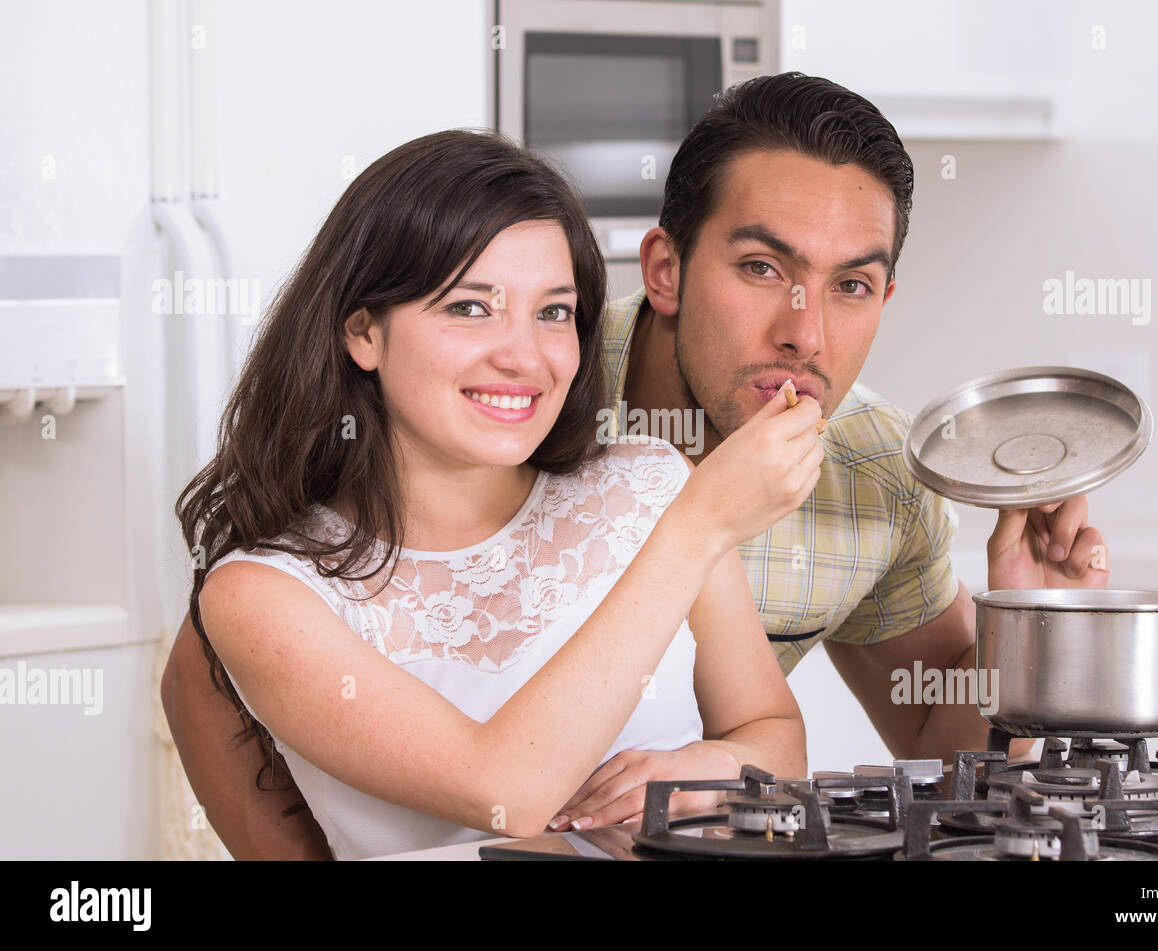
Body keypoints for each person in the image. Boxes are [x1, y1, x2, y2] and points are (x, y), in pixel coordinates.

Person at [163, 72, 1109, 859]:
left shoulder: (806, 473)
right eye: (761, 268)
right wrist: (700, 521)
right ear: (664, 272)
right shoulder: (589, 431)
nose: (806, 332)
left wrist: (1034, 627)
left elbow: (914, 756)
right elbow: (223, 680)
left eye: (850, 285)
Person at [170, 130, 814, 860]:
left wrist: (715, 767)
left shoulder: (650, 486)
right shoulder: (262, 596)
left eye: (553, 312)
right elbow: (508, 790)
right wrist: (698, 528)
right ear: (364, 333)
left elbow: (774, 735)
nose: (524, 356)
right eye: (472, 308)